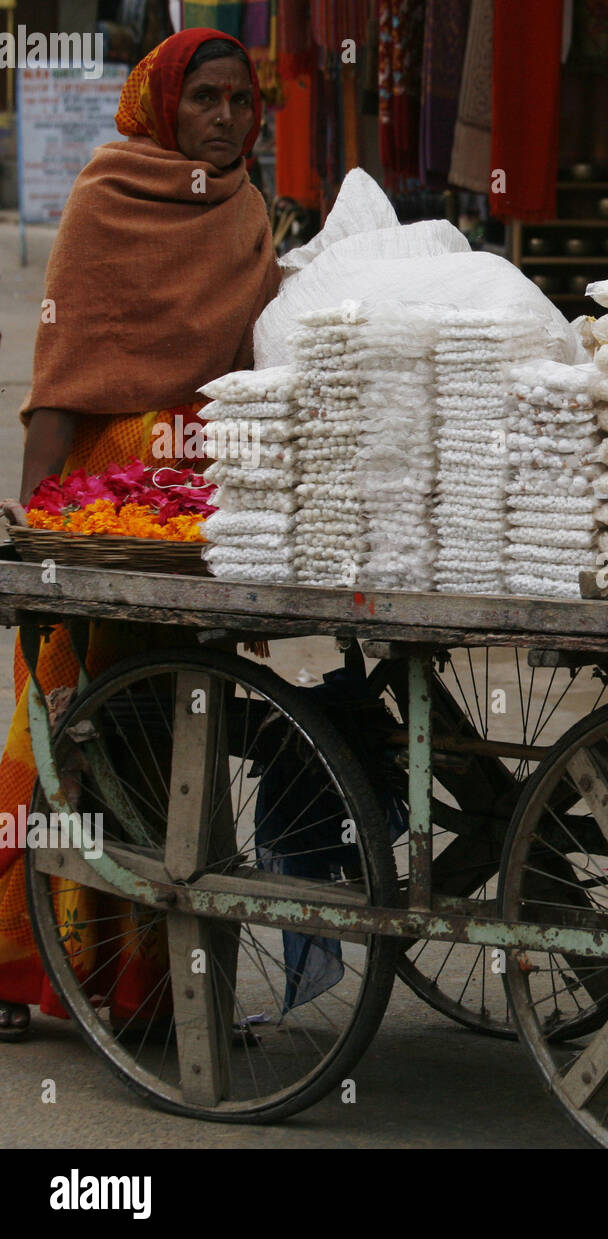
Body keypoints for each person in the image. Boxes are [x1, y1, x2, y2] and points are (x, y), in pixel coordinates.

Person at [0, 28, 280, 1040]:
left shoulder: (246, 207)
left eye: (240, 101)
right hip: (113, 507)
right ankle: (26, 966)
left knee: (181, 745)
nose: (224, 117)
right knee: (68, 733)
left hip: (207, 509)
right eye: (205, 99)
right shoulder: (104, 199)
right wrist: (40, 529)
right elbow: (63, 365)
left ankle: (157, 993)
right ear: (162, 107)